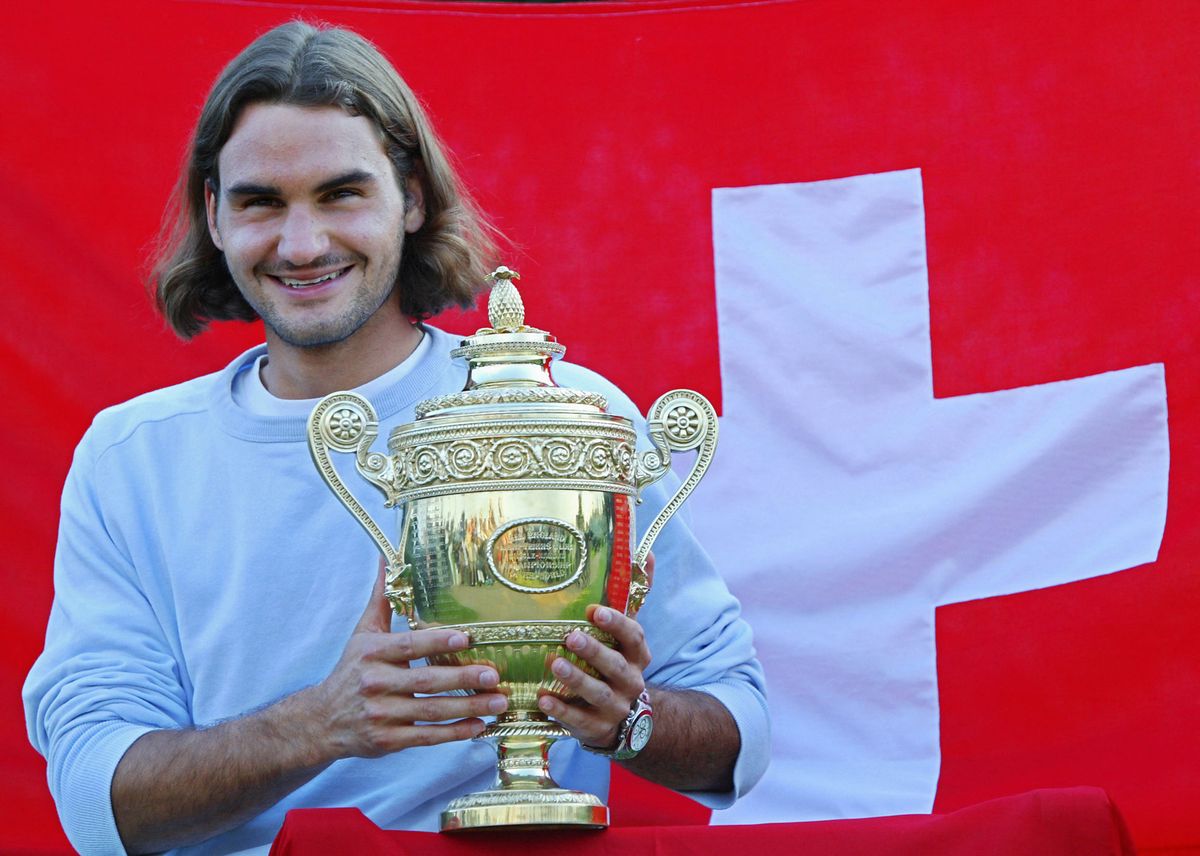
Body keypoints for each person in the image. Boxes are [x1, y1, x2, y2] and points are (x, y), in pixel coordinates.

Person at [23, 20, 768, 855]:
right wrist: (319, 724)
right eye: (260, 202)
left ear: (411, 198)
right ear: (215, 216)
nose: (302, 245)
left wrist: (627, 721)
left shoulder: (571, 416)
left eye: (341, 194)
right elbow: (94, 803)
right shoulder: (130, 460)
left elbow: (740, 732)